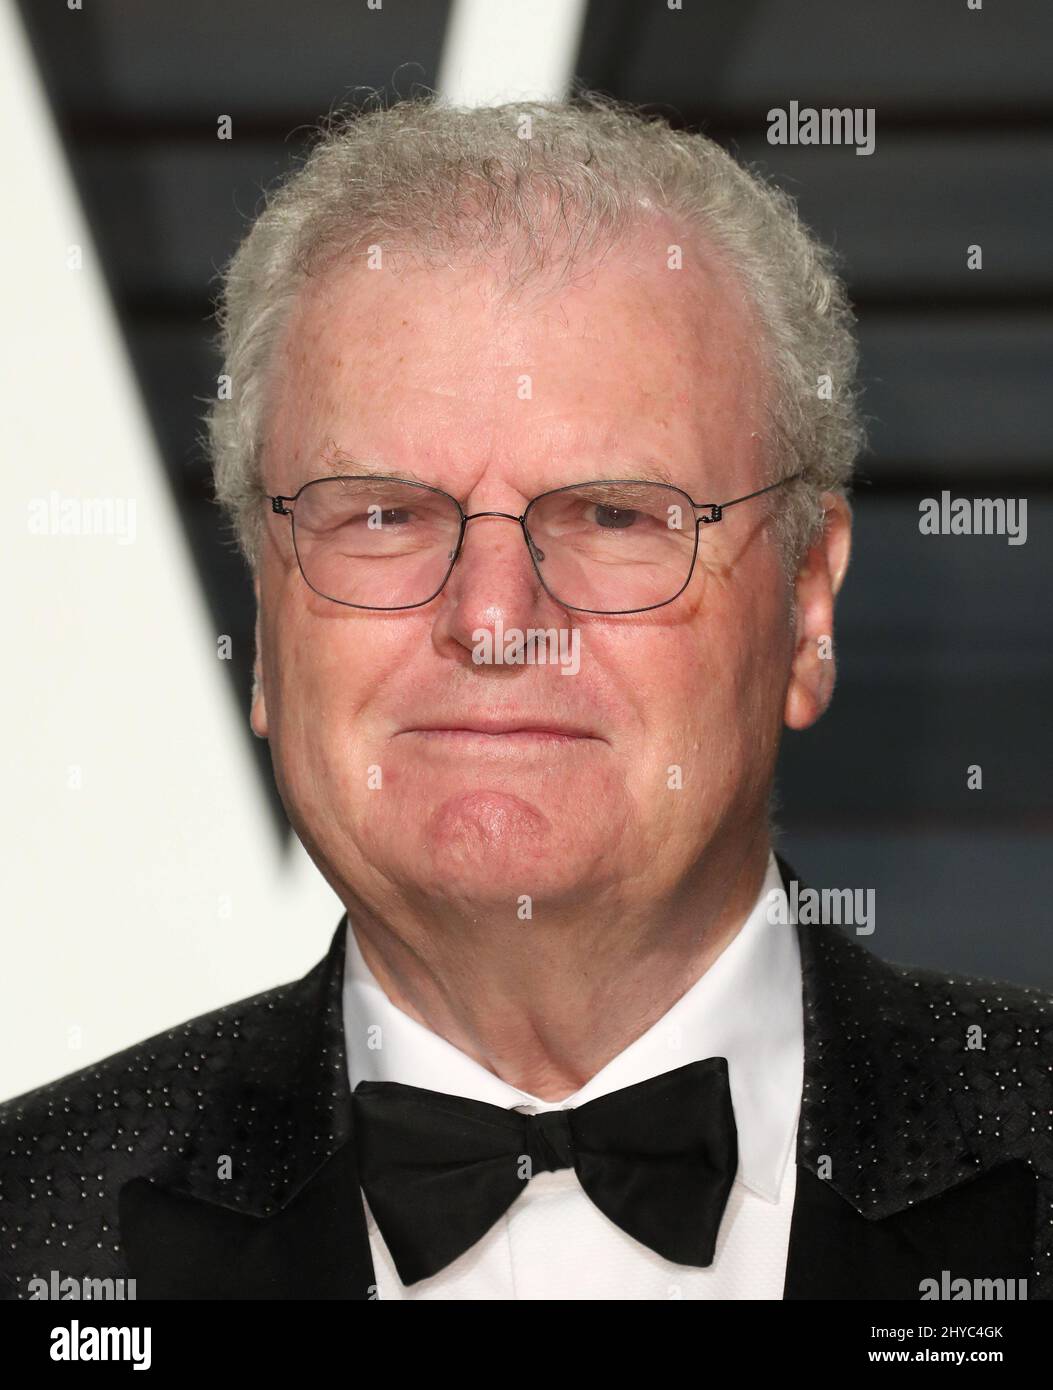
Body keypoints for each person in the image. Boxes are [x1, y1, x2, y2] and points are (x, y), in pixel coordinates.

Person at [2, 97, 1049, 1302]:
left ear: (807, 604)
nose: (494, 621)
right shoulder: (32, 1230)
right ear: (265, 624)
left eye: (612, 515)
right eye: (384, 515)